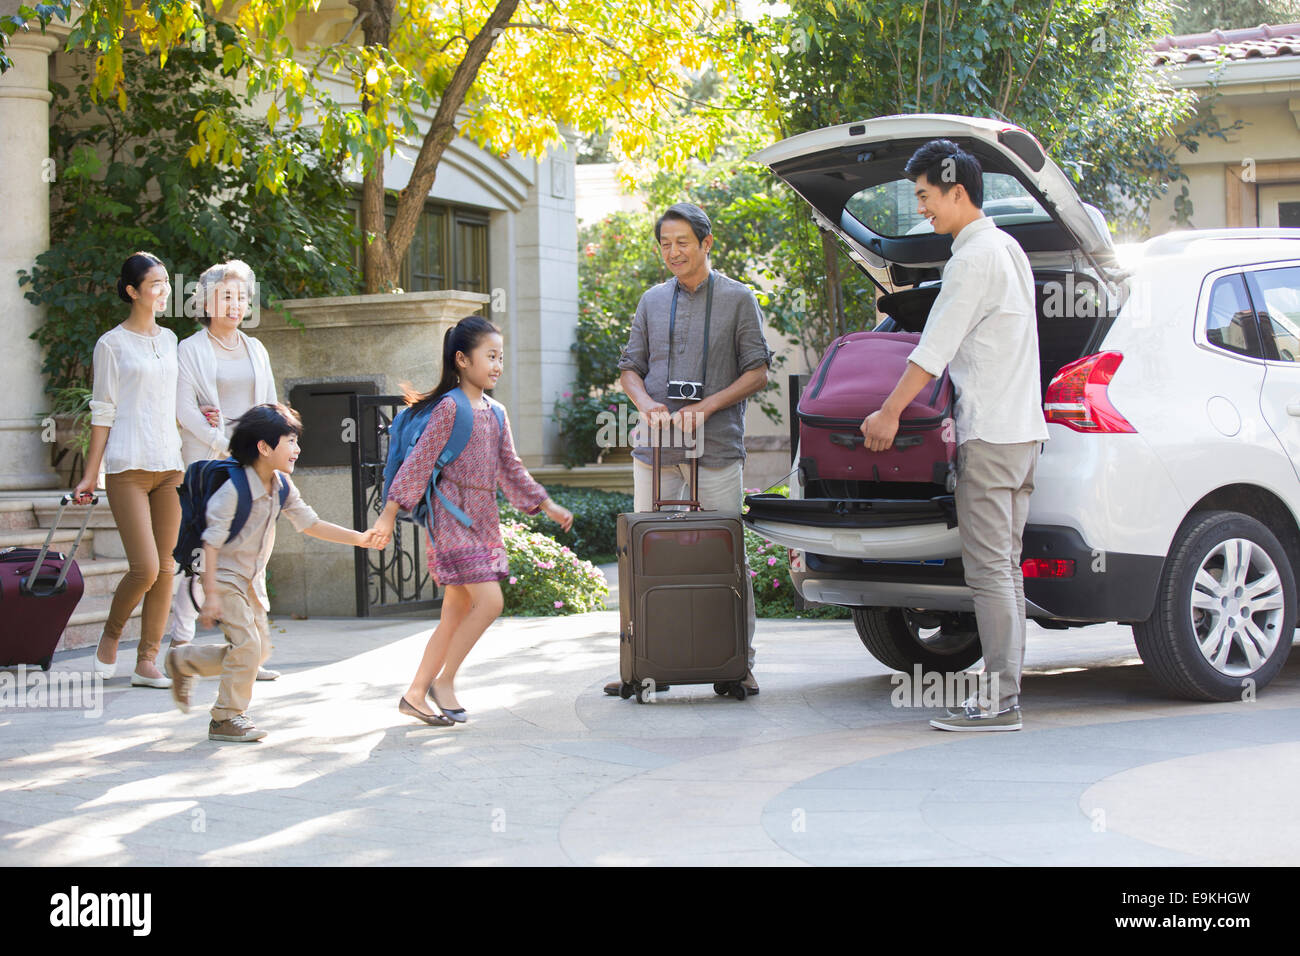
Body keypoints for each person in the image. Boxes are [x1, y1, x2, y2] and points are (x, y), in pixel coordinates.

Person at [858, 139, 1048, 732]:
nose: (922, 211)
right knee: (1007, 569)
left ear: (956, 192)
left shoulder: (969, 258)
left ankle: (999, 702)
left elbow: (932, 350)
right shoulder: (1009, 248)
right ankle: (1007, 692)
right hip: (1022, 435)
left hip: (989, 436)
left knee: (989, 571)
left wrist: (888, 413)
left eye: (925, 197)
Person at [604, 202, 772, 698]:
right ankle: (644, 664)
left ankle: (738, 663)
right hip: (655, 451)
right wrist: (647, 404)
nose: (673, 252)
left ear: (706, 243)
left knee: (726, 558)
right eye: (665, 244)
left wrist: (706, 407)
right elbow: (629, 367)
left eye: (682, 242)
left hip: (717, 448)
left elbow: (758, 370)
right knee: (646, 556)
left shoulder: (740, 299)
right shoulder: (651, 301)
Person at [370, 316, 574, 726]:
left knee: (456, 611)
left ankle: (414, 693)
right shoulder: (450, 407)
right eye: (490, 356)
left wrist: (546, 505)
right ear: (462, 360)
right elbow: (418, 464)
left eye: (501, 357)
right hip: (451, 516)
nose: (498, 365)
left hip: (483, 517)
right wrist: (389, 515)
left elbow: (510, 468)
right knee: (490, 602)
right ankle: (443, 683)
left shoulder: (496, 412)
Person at [164, 404, 385, 742]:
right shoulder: (233, 491)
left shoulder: (281, 485)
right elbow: (209, 544)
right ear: (264, 448)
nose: (297, 449)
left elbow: (310, 524)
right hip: (223, 578)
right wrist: (209, 596)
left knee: (255, 652)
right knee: (247, 647)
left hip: (249, 581)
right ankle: (225, 717)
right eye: (290, 441)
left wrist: (360, 539)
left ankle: (185, 661)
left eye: (297, 441)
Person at [74, 252, 184, 690]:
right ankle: (111, 636)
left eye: (165, 282)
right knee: (146, 567)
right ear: (133, 291)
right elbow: (103, 410)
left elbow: (173, 401)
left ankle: (147, 660)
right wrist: (90, 474)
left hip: (170, 465)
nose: (162, 290)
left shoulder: (172, 339)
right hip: (127, 466)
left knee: (167, 566)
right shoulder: (111, 344)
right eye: (154, 284)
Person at [169, 260, 280, 680]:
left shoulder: (256, 348)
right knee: (200, 552)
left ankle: (253, 650)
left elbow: (268, 404)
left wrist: (271, 448)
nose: (235, 305)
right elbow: (184, 410)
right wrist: (221, 443)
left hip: (254, 461)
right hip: (210, 463)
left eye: (241, 297)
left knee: (254, 556)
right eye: (227, 296)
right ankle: (180, 642)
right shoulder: (189, 349)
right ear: (205, 301)